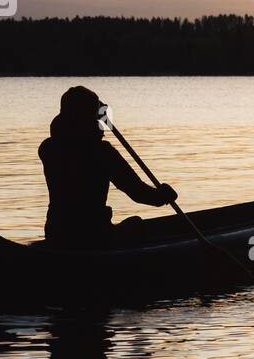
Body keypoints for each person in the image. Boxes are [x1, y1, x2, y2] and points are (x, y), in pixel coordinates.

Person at [38, 86, 177, 248]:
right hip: (96, 236)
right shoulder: (103, 153)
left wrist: (95, 112)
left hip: (57, 234)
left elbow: (73, 134)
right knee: (136, 224)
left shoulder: (48, 148)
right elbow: (138, 193)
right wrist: (163, 197)